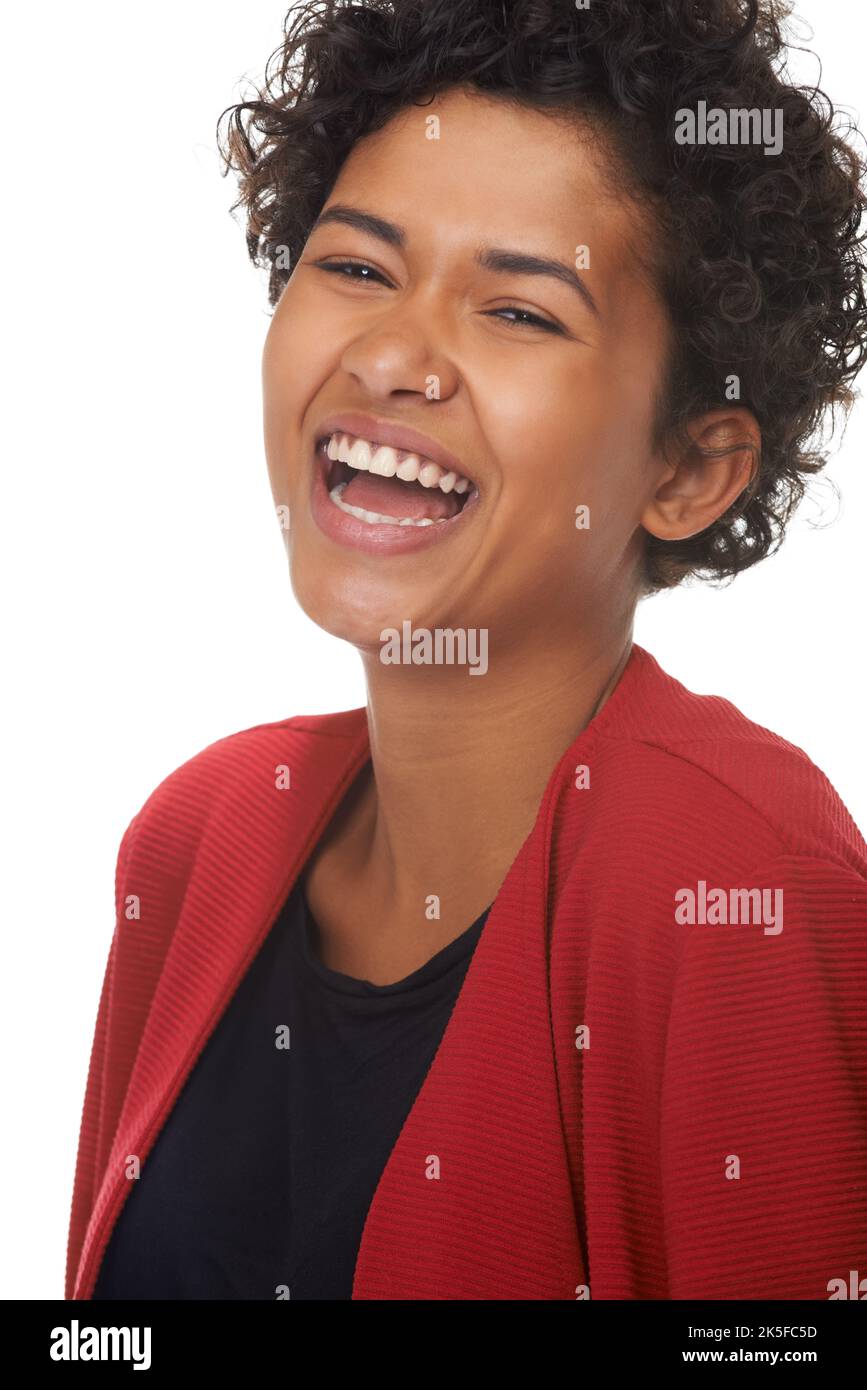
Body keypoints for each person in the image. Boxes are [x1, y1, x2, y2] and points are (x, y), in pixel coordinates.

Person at [67, 0, 867, 1301]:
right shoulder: (199, 836)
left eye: (520, 312)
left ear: (688, 469)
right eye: (360, 269)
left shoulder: (736, 882)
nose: (390, 357)